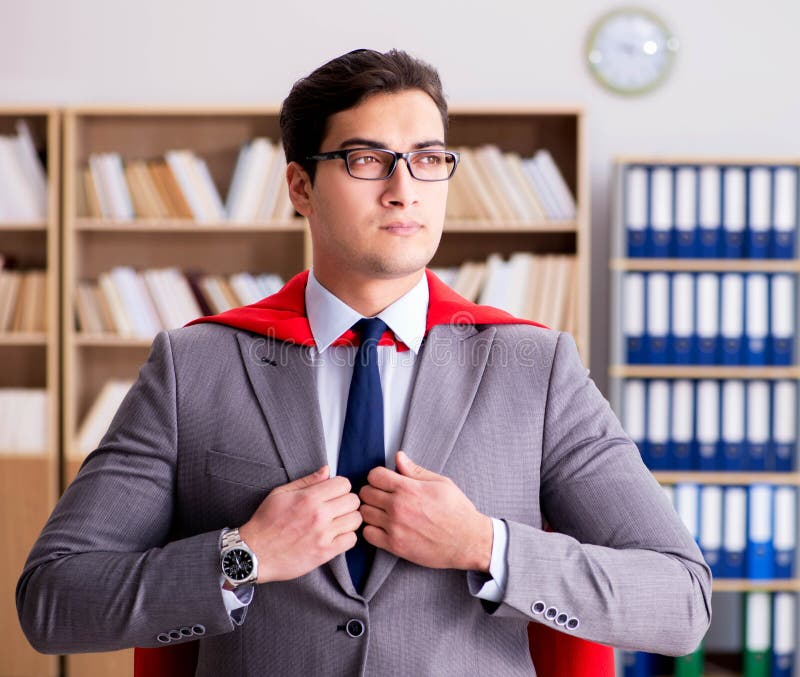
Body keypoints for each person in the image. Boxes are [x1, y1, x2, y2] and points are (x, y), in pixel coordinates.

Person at [17, 48, 710, 676]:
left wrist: (485, 545)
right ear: (300, 187)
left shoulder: (537, 367)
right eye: (367, 159)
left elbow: (680, 601)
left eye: (428, 158)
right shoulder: (193, 366)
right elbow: (52, 601)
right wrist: (245, 555)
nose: (404, 187)